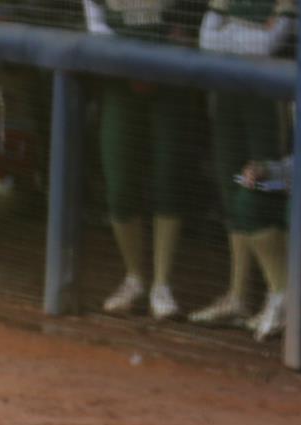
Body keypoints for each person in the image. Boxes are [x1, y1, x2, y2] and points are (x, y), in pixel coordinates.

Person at [82, 0, 204, 319]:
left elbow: (193, 20)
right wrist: (125, 58)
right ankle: (134, 278)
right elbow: (95, 24)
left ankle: (162, 285)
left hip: (172, 77)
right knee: (120, 183)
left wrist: (179, 41)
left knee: (169, 178)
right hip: (121, 77)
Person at [190, 0, 294, 341]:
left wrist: (231, 34)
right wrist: (246, 34)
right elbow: (206, 39)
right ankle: (238, 296)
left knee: (264, 189)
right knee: (231, 186)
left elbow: (268, 44)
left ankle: (277, 295)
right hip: (228, 90)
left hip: (267, 93)